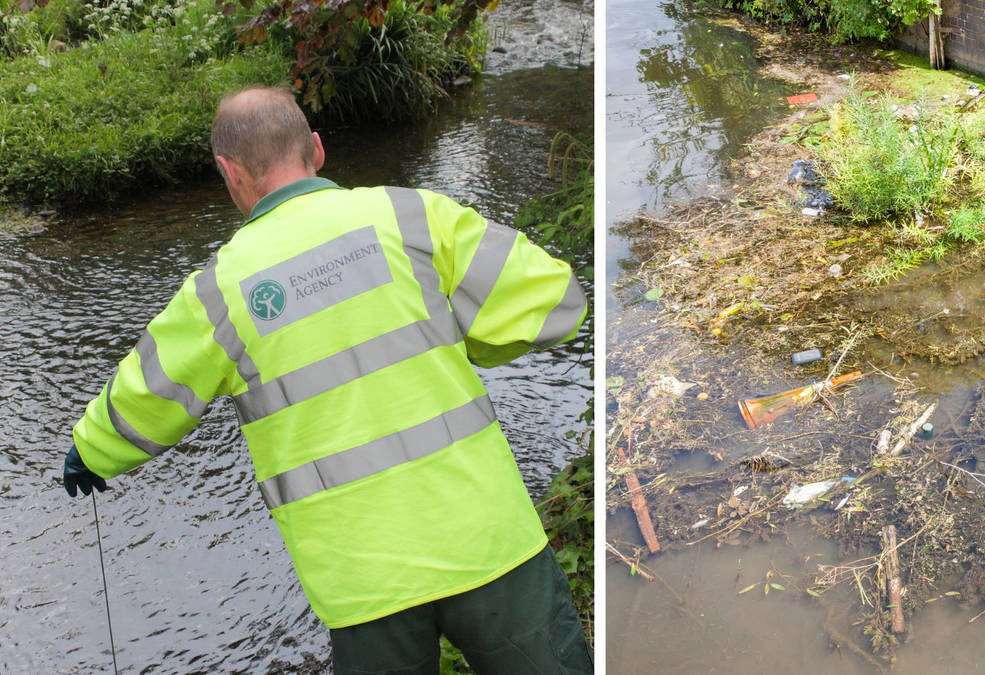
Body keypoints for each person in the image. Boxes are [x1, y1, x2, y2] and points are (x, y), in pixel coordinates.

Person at [62, 86, 592, 674]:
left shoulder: (217, 292)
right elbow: (554, 301)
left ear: (228, 171)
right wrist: (462, 340)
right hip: (489, 541)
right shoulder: (412, 216)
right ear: (315, 149)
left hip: (360, 579)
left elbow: (146, 394)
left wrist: (90, 452)